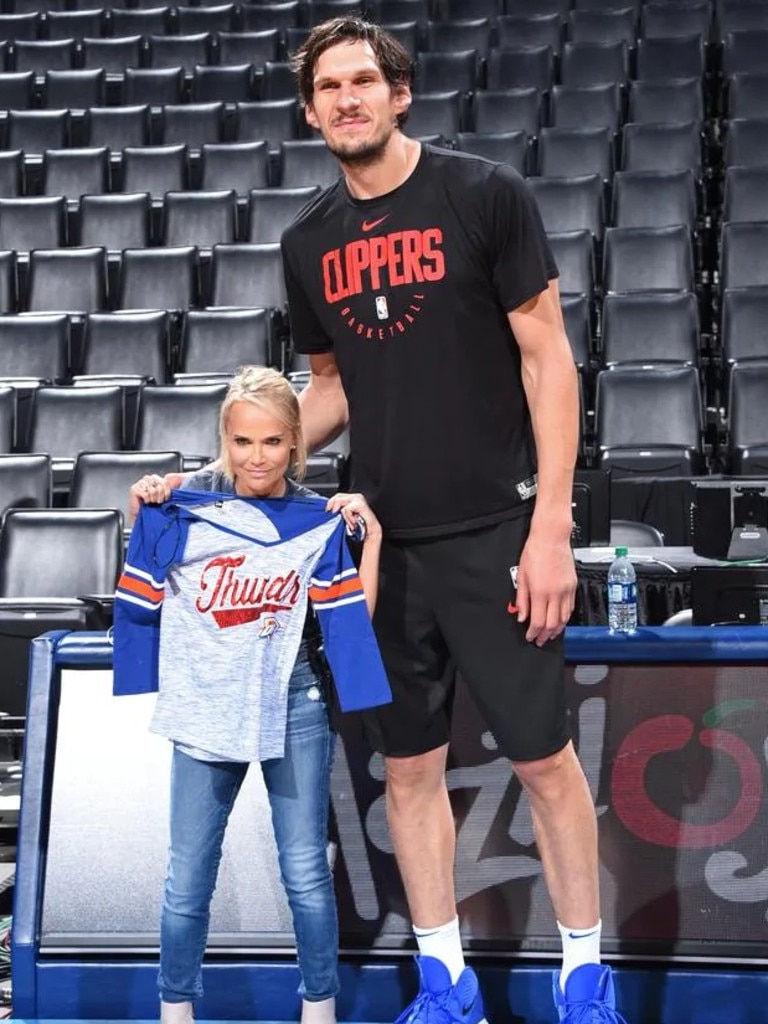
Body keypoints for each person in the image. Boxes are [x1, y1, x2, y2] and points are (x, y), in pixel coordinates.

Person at [279, 17, 629, 1024]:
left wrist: (551, 524)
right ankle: (446, 986)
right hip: (383, 547)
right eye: (329, 88)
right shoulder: (308, 241)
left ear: (399, 94)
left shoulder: (484, 195)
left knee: (545, 763)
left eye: (363, 81)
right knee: (409, 767)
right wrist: (233, 470)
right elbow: (331, 386)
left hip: (499, 528)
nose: (347, 99)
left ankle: (584, 980)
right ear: (310, 113)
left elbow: (547, 358)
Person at [119, 366, 386, 1024]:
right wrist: (144, 512)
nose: (256, 456)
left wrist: (369, 540)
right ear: (224, 440)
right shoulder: (182, 507)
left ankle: (318, 1008)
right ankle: (175, 1009)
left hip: (293, 703)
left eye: (271, 442)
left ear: (295, 443)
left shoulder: (313, 521)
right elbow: (137, 600)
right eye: (243, 441)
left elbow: (353, 626)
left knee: (305, 871)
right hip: (205, 705)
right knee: (188, 877)